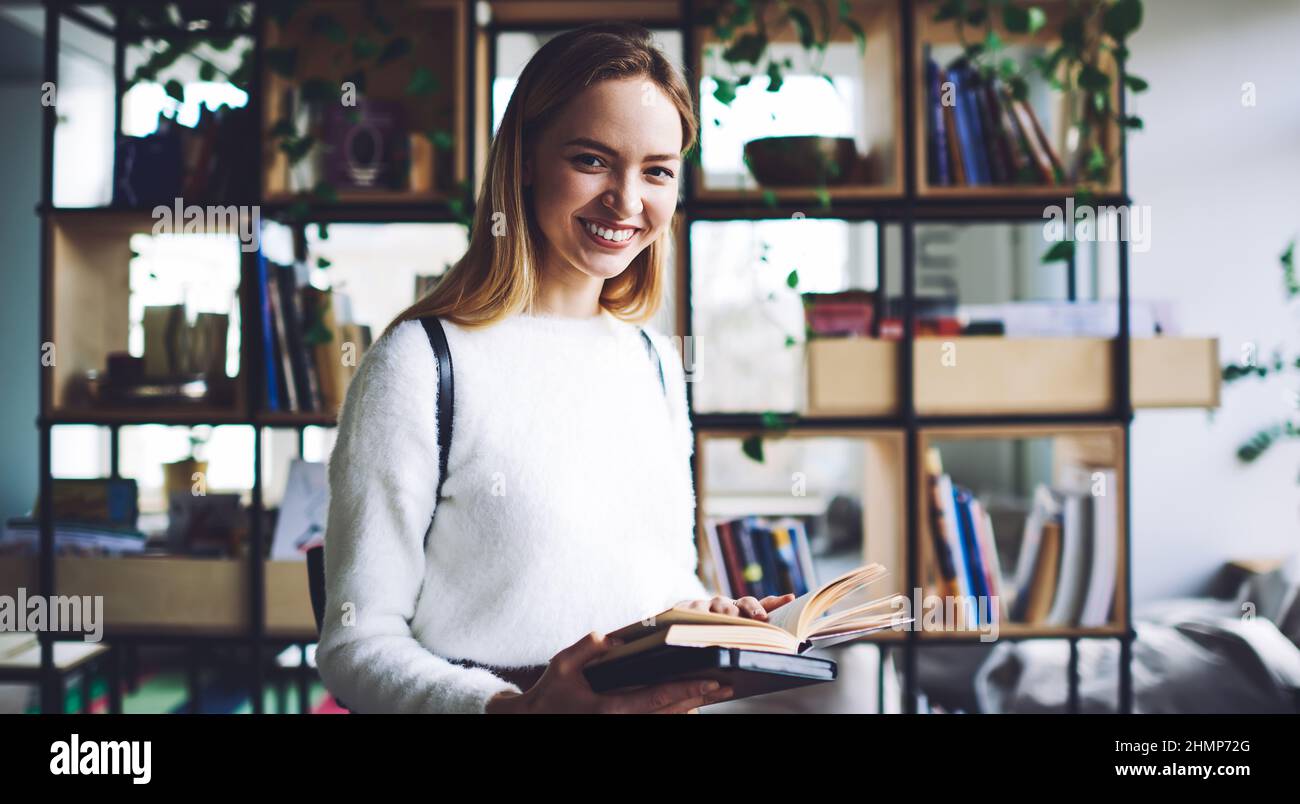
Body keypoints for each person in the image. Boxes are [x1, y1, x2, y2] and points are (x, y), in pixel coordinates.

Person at [316, 22, 794, 714]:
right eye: (593, 160)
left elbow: (652, 583)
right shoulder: (422, 364)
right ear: (528, 160)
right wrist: (514, 709)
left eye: (657, 170)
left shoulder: (654, 363)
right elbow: (356, 646)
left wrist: (706, 618)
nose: (627, 202)